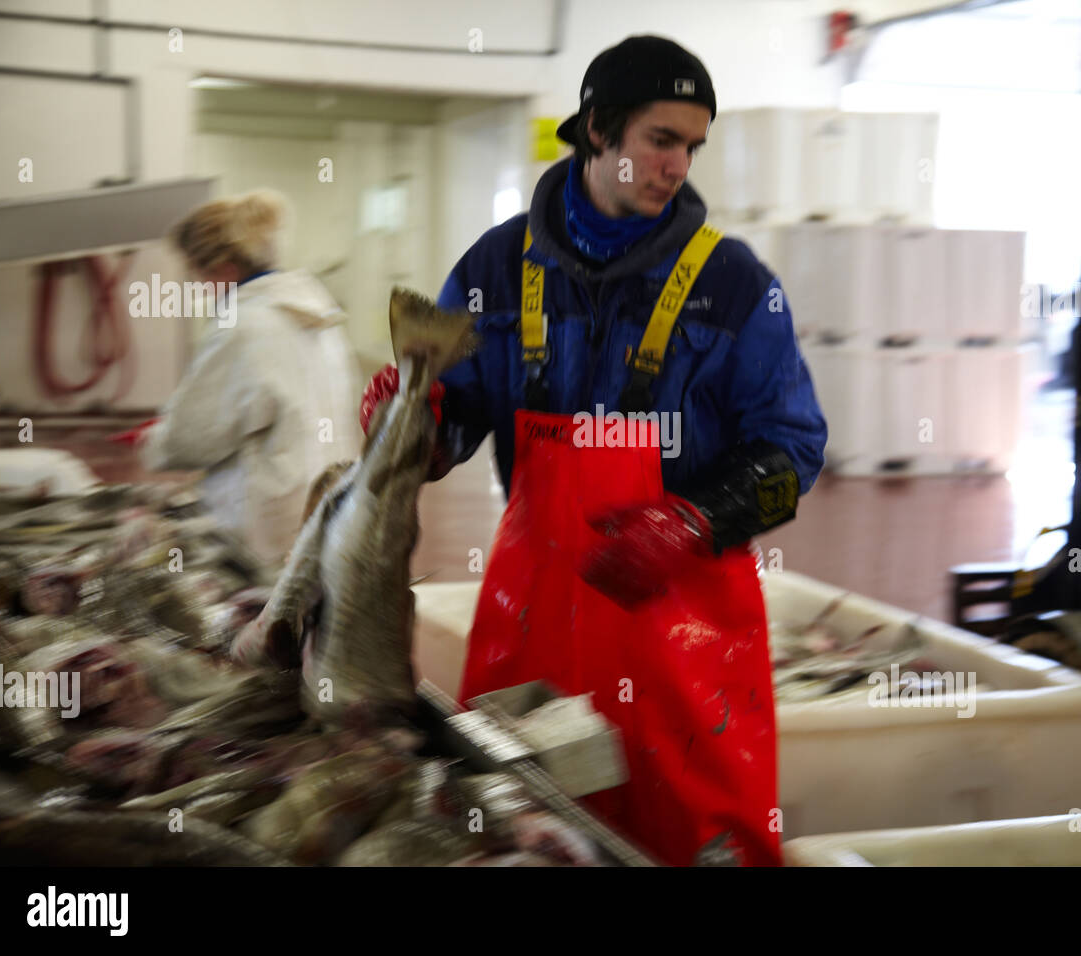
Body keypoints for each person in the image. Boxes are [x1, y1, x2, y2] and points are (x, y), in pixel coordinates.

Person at [363, 36, 827, 866]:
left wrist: (692, 521)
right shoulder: (494, 268)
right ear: (597, 131)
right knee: (518, 825)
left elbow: (792, 453)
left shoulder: (734, 282)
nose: (679, 165)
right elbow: (455, 422)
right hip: (534, 614)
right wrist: (415, 425)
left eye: (693, 146)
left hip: (684, 631)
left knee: (698, 838)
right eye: (660, 139)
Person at [136, 190, 363, 566]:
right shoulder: (320, 318)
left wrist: (153, 439)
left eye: (197, 276)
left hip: (264, 527)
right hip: (329, 512)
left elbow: (190, 439)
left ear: (224, 269)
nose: (199, 290)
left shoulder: (241, 327)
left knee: (260, 616)